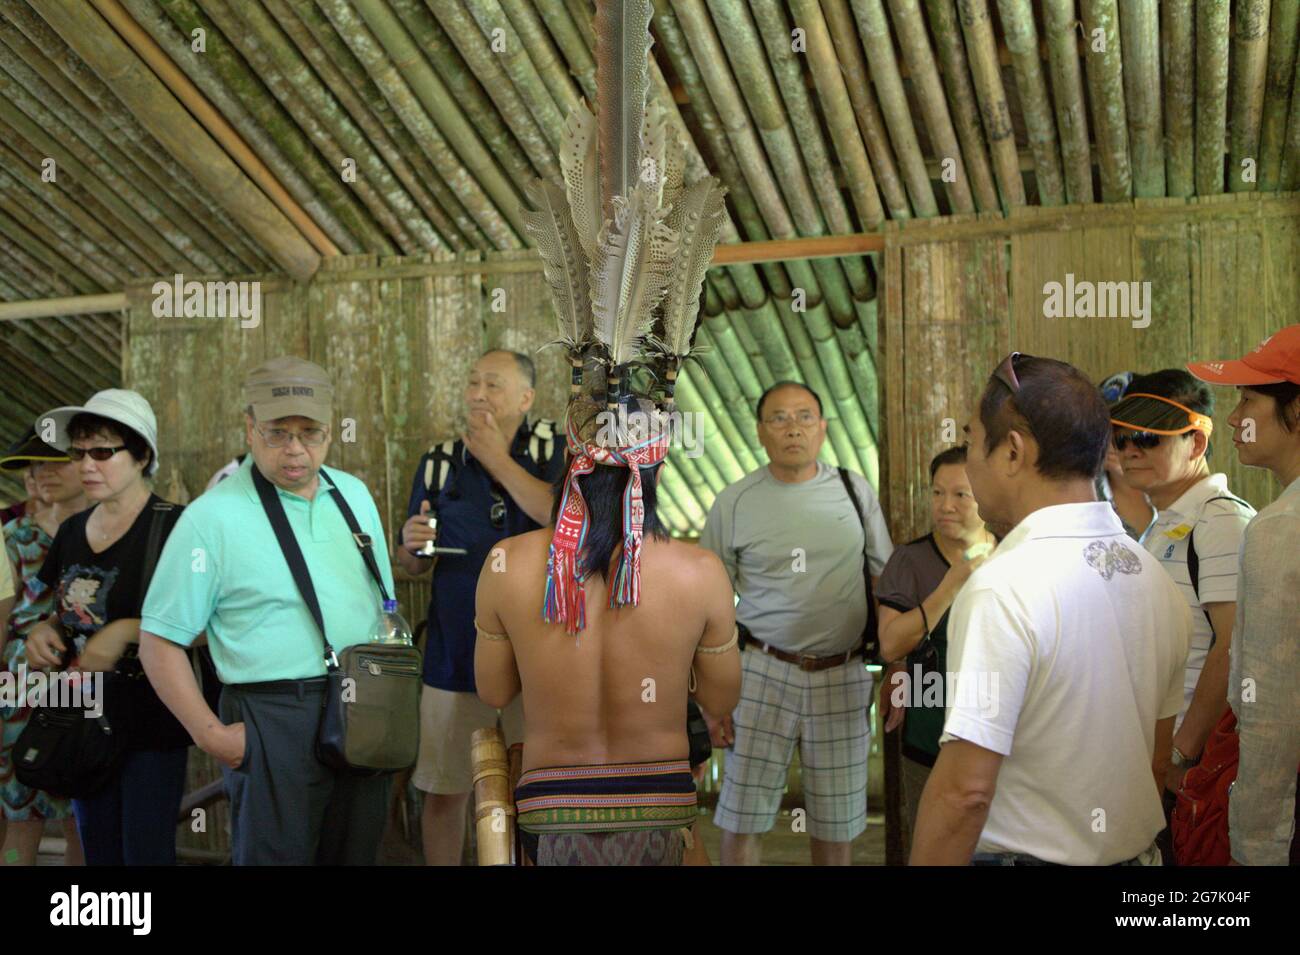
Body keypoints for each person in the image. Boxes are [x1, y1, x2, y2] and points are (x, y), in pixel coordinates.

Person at [911, 353, 1190, 866]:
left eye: (973, 441)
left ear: (1013, 451)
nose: (970, 464)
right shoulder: (1156, 580)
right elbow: (1153, 762)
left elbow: (964, 795)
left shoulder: (1003, 587)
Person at [139, 357, 396, 866]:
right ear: (250, 428)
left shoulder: (354, 495)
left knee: (357, 856)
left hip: (365, 703)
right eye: (278, 432)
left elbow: (381, 608)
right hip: (274, 713)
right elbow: (159, 641)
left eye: (311, 432)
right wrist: (211, 735)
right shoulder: (210, 518)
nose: (295, 449)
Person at [475, 397, 741, 865]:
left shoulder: (505, 563)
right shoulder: (700, 571)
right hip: (660, 812)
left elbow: (494, 692)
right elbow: (720, 702)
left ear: (567, 461)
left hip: (551, 811)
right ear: (657, 465)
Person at [700, 381, 893, 866]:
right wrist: (711, 695)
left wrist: (898, 665)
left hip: (843, 671)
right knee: (742, 815)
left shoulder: (853, 490)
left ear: (823, 429)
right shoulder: (735, 501)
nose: (793, 429)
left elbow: (883, 580)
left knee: (839, 822)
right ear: (761, 433)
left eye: (805, 417)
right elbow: (709, 603)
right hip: (761, 670)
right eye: (779, 419)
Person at [396, 349, 562, 866]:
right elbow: (412, 567)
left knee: (536, 796)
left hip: (539, 661)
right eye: (472, 382)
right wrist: (411, 542)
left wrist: (496, 458)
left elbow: (561, 517)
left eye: (492, 384)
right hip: (453, 658)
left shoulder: (555, 449)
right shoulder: (440, 461)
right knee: (445, 793)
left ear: (526, 398)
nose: (477, 394)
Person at [22, 391, 189, 866]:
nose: (86, 465)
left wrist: (126, 631)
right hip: (77, 710)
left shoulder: (176, 526)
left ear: (142, 456)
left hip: (149, 713)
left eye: (102, 451)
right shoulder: (73, 530)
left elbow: (206, 624)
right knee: (97, 852)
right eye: (78, 453)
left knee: (146, 853)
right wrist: (43, 631)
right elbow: (62, 609)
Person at [1109, 372, 1255, 794]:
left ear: (1196, 442)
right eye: (1122, 438)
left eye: (1148, 437)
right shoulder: (1164, 524)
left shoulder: (1221, 521)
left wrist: (1179, 756)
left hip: (1188, 771)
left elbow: (1233, 647)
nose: (1131, 450)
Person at [1187, 325, 1300, 865]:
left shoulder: (1281, 529)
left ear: (1296, 410)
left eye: (1250, 399)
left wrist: (1253, 849)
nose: (1235, 417)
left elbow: (1272, 714)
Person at [875, 446, 996, 849]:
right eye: (937, 493)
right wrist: (951, 585)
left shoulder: (1014, 552)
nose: (946, 506)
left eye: (961, 494)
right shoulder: (909, 561)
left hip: (1000, 739)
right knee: (933, 846)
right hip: (929, 736)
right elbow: (891, 644)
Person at [0, 430, 89, 866]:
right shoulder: (14, 536)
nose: (43, 473)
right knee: (22, 814)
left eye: (57, 461)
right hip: (19, 686)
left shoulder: (108, 534)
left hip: (88, 681)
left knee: (83, 817)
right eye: (35, 465)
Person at [1097, 371, 1157, 539]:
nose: (1111, 439)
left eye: (1127, 429)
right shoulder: (1083, 494)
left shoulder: (1172, 491)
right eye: (1104, 426)